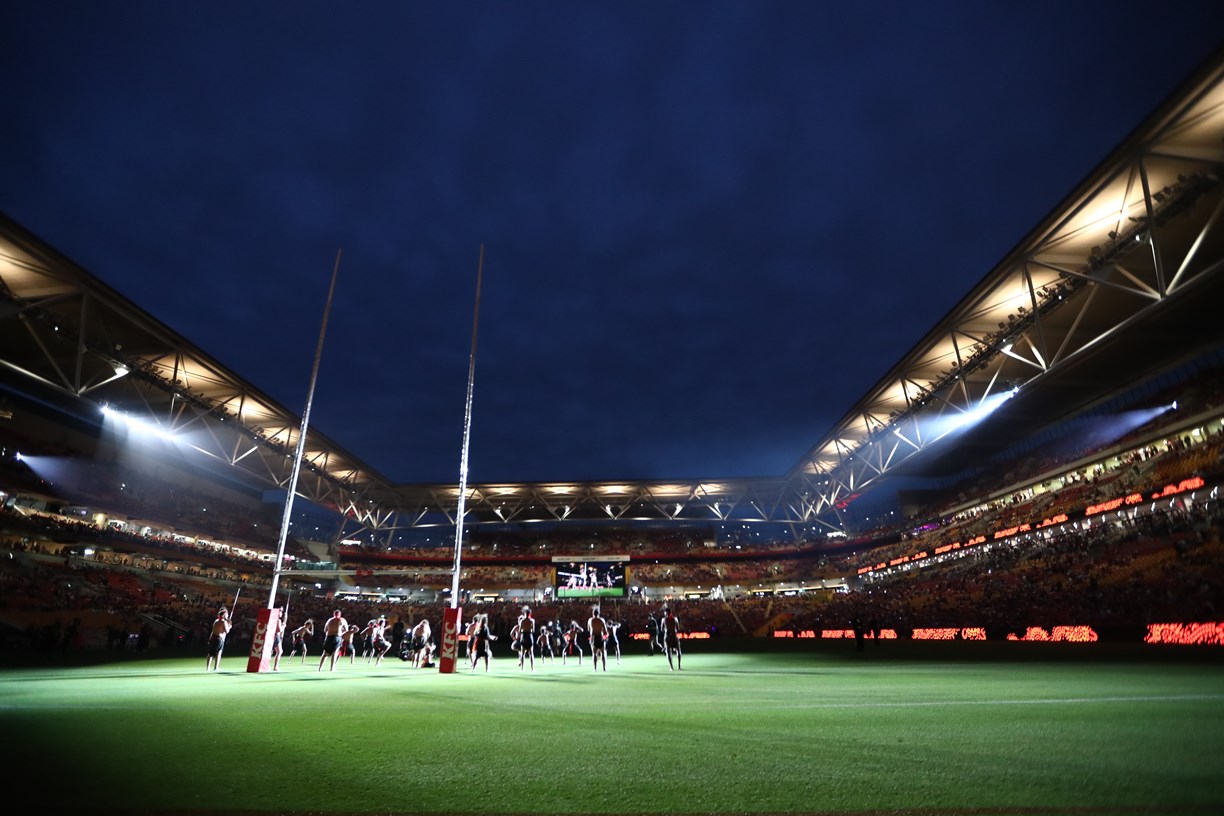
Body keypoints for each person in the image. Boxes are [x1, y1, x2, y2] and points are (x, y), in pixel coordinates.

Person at [205, 607, 232, 672]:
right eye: (227, 614)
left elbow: (213, 630)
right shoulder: (223, 622)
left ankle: (208, 667)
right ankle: (215, 667)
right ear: (224, 615)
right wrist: (229, 626)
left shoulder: (216, 621)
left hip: (214, 637)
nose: (227, 615)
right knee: (217, 653)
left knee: (211, 653)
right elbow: (226, 631)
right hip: (219, 639)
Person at [660, 604, 682, 671]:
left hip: (668, 635)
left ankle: (673, 667)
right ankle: (677, 666)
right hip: (673, 635)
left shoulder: (664, 619)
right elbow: (678, 628)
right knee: (676, 650)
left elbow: (662, 629)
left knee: (670, 651)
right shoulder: (674, 619)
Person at [587, 605, 609, 672]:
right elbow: (605, 630)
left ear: (593, 613)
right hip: (600, 637)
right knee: (603, 653)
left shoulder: (590, 620)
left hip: (593, 637)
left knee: (594, 654)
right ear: (598, 613)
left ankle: (595, 668)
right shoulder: (602, 620)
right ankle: (604, 668)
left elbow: (588, 629)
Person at [516, 606, 536, 672]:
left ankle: (522, 668)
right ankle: (532, 668)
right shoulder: (532, 621)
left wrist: (523, 630)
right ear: (529, 614)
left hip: (523, 636)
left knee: (523, 653)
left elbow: (519, 630)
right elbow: (533, 630)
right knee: (531, 653)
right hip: (529, 636)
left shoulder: (522, 621)